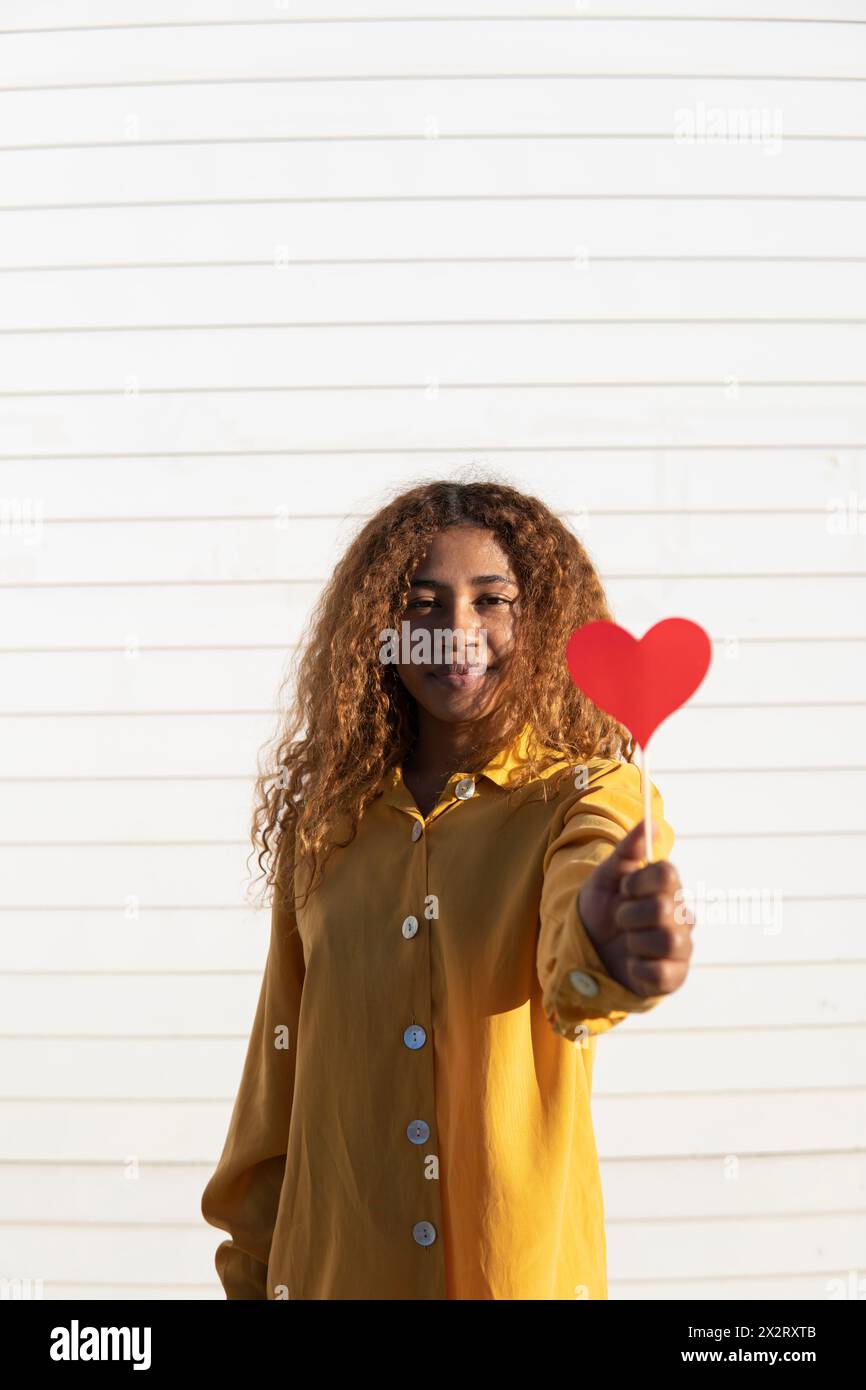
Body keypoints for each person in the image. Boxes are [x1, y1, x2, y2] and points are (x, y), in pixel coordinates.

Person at [200, 478, 695, 1300]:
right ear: (380, 631)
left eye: (490, 599)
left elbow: (582, 952)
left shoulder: (587, 794)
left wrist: (611, 941)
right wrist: (248, 1274)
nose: (454, 632)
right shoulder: (326, 823)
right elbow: (276, 1081)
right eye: (422, 603)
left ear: (539, 621)